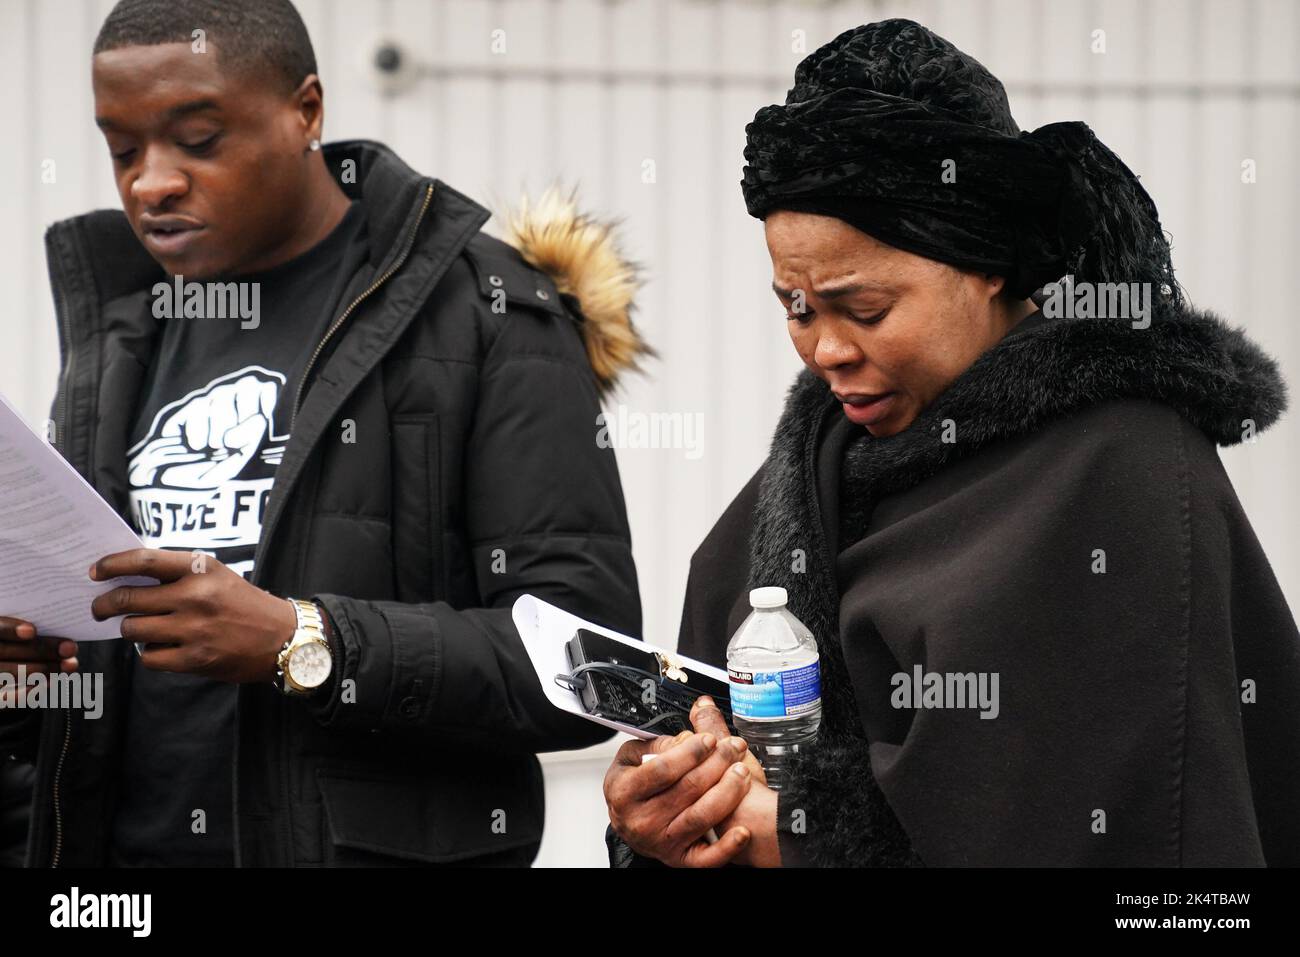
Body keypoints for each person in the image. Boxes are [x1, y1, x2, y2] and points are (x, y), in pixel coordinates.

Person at [603, 18, 1300, 867]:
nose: (827, 350)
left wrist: (800, 834)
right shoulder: (820, 452)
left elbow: (1107, 827)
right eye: (796, 308)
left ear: (989, 264)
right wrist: (671, 801)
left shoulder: (1127, 465)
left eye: (865, 310)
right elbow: (712, 715)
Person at [0, 0, 649, 867]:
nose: (150, 181)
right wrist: (26, 675)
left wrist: (302, 639)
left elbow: (588, 669)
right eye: (122, 149)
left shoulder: (488, 313)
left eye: (196, 139)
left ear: (306, 110)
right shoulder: (122, 326)